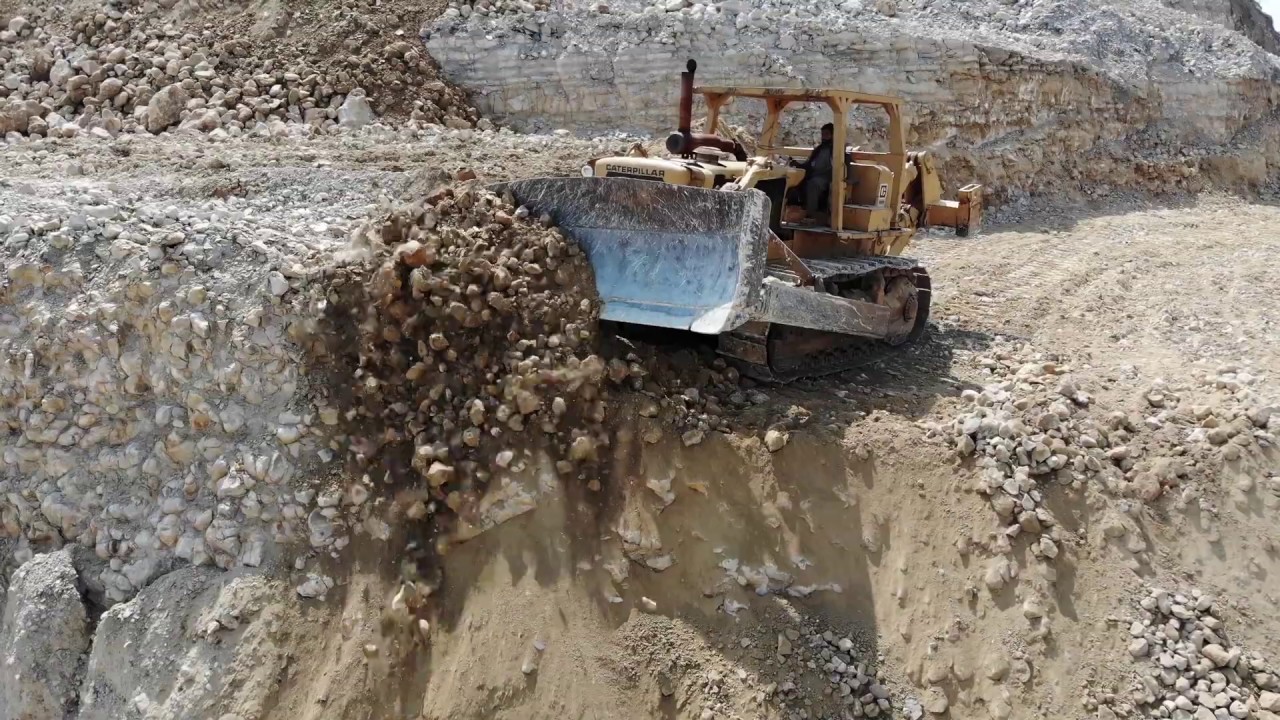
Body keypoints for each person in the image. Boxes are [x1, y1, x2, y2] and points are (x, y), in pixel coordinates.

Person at [794, 123, 834, 220]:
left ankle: (811, 215)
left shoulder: (836, 150)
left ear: (833, 135)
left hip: (827, 178)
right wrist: (797, 165)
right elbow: (809, 164)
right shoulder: (818, 149)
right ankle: (796, 211)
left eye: (827, 134)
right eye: (822, 134)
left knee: (813, 184)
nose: (824, 137)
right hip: (813, 175)